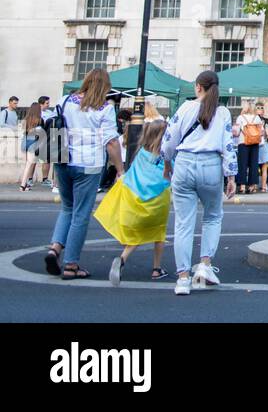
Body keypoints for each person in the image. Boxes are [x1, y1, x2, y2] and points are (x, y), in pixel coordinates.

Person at [162, 70, 237, 295]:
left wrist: (167, 164)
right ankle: (205, 264)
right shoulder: (222, 113)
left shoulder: (185, 108)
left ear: (198, 87)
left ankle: (183, 278)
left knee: (183, 223)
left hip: (184, 163)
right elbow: (228, 146)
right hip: (211, 165)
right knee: (213, 216)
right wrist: (231, 176)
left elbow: (168, 140)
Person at [46, 68, 124, 280]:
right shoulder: (104, 108)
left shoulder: (65, 101)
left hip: (63, 159)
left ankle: (55, 248)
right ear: (105, 87)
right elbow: (111, 141)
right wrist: (119, 169)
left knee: (67, 207)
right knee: (81, 213)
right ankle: (71, 264)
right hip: (88, 164)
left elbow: (51, 125)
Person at [95, 119, 171, 285]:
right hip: (159, 198)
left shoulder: (141, 153)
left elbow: (131, 176)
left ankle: (122, 259)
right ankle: (156, 268)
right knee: (159, 233)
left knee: (138, 234)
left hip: (136, 197)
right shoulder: (167, 157)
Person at [234, 102, 267, 194]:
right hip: (255, 142)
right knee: (254, 164)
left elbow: (236, 132)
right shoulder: (257, 118)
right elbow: (262, 132)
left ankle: (242, 186)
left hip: (243, 142)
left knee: (242, 164)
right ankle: (252, 186)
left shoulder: (240, 118)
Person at [19, 100, 44, 190]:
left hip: (24, 141)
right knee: (29, 164)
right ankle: (22, 185)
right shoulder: (40, 120)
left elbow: (24, 131)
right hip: (33, 143)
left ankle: (24, 184)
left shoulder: (26, 119)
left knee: (26, 164)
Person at [255, 103, 268, 192]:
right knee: (263, 166)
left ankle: (257, 186)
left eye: (261, 108)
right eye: (258, 108)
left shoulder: (266, 121)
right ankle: (263, 187)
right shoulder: (261, 121)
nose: (260, 110)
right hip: (261, 143)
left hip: (255, 143)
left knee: (257, 166)